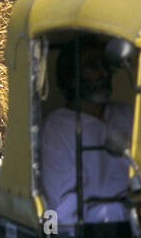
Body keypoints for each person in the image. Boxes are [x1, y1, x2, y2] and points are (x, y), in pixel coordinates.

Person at [42, 37, 133, 228]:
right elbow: (65, 211)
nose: (103, 73)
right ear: (71, 79)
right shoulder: (58, 129)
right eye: (92, 67)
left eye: (105, 66)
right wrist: (122, 210)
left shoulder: (125, 114)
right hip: (95, 232)